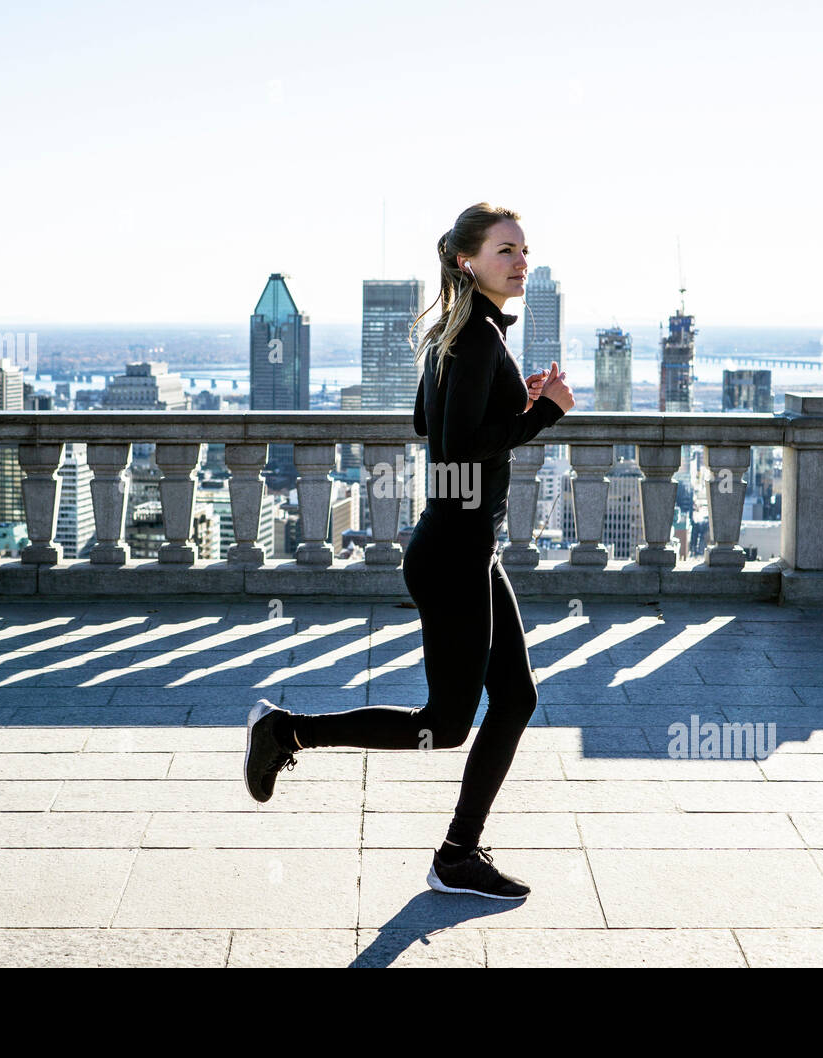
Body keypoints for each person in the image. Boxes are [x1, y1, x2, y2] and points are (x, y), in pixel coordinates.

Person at [244, 202, 575, 899]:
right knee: (445, 723)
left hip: (463, 546)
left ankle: (458, 856)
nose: (520, 261)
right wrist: (545, 413)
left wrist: (517, 408)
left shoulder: (459, 332)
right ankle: (285, 732)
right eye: (505, 250)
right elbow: (452, 444)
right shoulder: (477, 337)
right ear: (466, 260)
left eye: (524, 250)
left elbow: (428, 420)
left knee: (514, 699)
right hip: (455, 550)